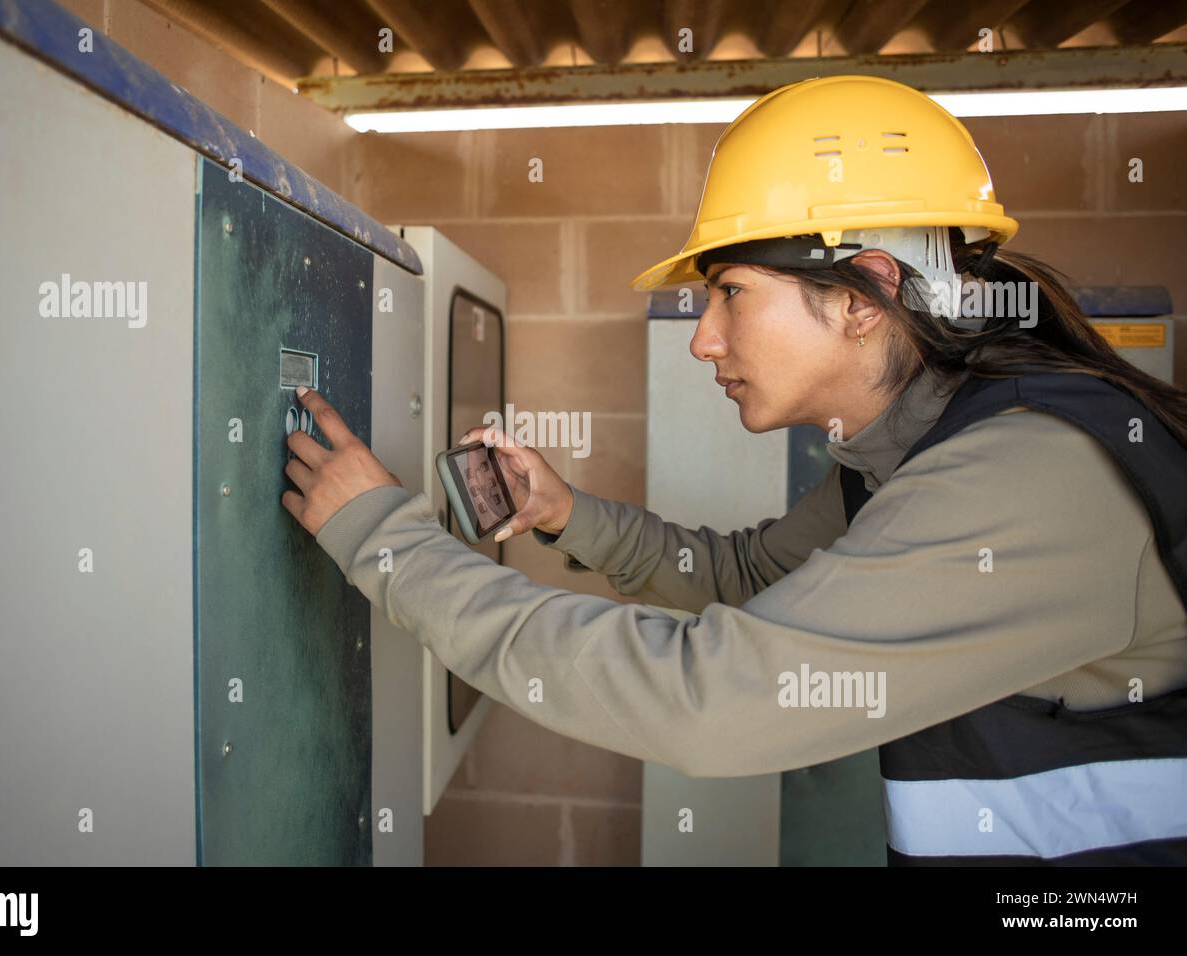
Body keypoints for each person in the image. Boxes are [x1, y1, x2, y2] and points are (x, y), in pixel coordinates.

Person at [281, 75, 1187, 866]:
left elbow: (706, 700)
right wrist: (567, 516)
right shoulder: (923, 453)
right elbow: (752, 578)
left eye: (731, 293)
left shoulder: (1024, 478)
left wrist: (385, 539)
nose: (705, 339)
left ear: (863, 293)